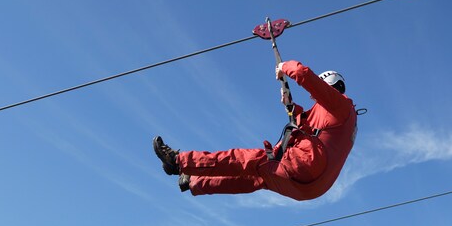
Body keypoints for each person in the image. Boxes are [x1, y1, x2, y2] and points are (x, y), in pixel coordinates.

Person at [153, 60, 357, 201]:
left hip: (305, 167)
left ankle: (179, 161)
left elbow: (304, 75)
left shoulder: (341, 105)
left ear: (330, 85)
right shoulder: (341, 120)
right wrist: (291, 107)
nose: (315, 99)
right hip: (311, 187)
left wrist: (285, 67)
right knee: (256, 179)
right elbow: (311, 130)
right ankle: (194, 182)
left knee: (246, 159)